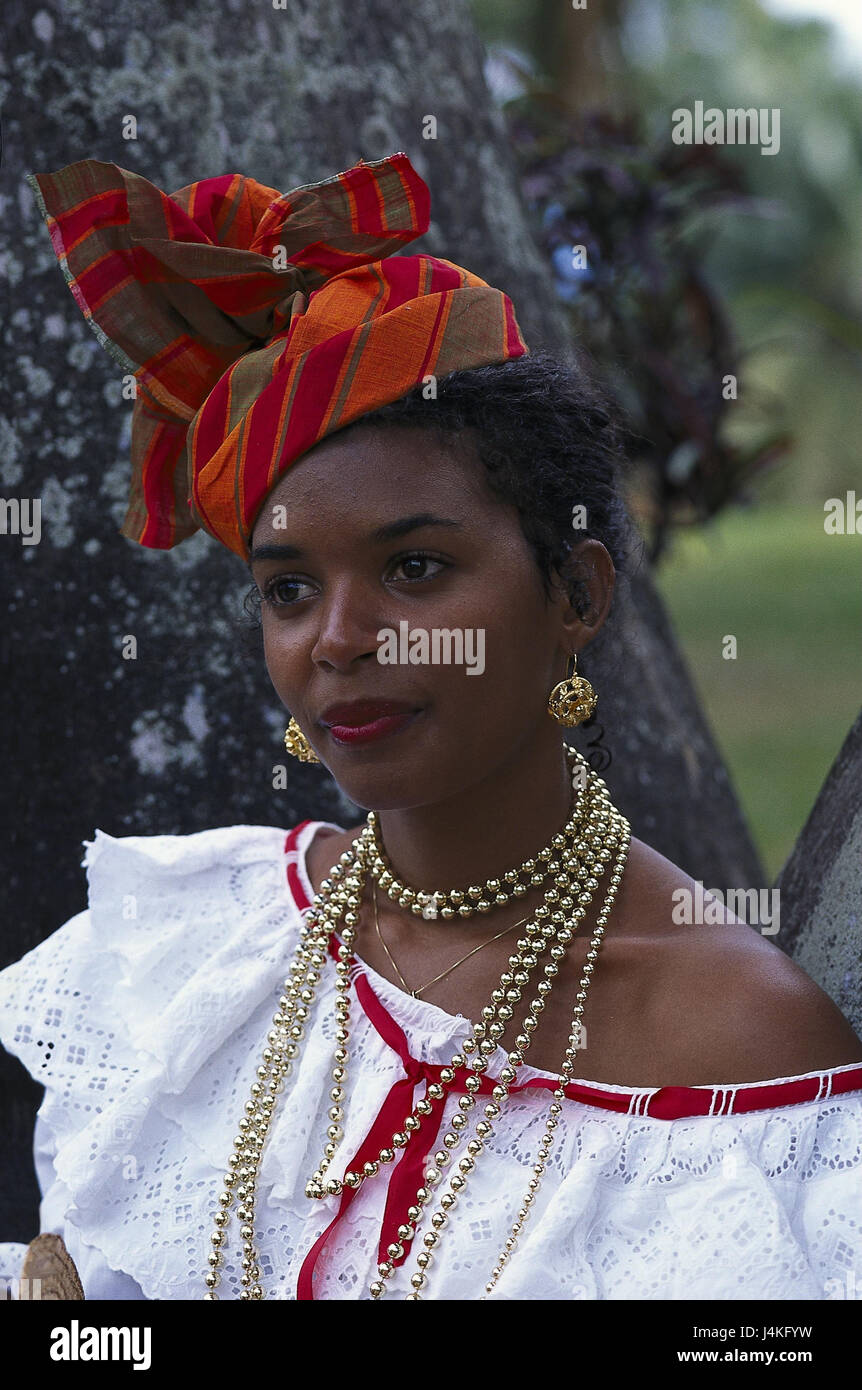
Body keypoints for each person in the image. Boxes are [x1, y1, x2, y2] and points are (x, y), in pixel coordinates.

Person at [0, 152, 860, 1302]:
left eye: (414, 566)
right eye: (288, 588)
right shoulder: (211, 947)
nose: (338, 639)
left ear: (577, 596)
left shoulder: (742, 1059)